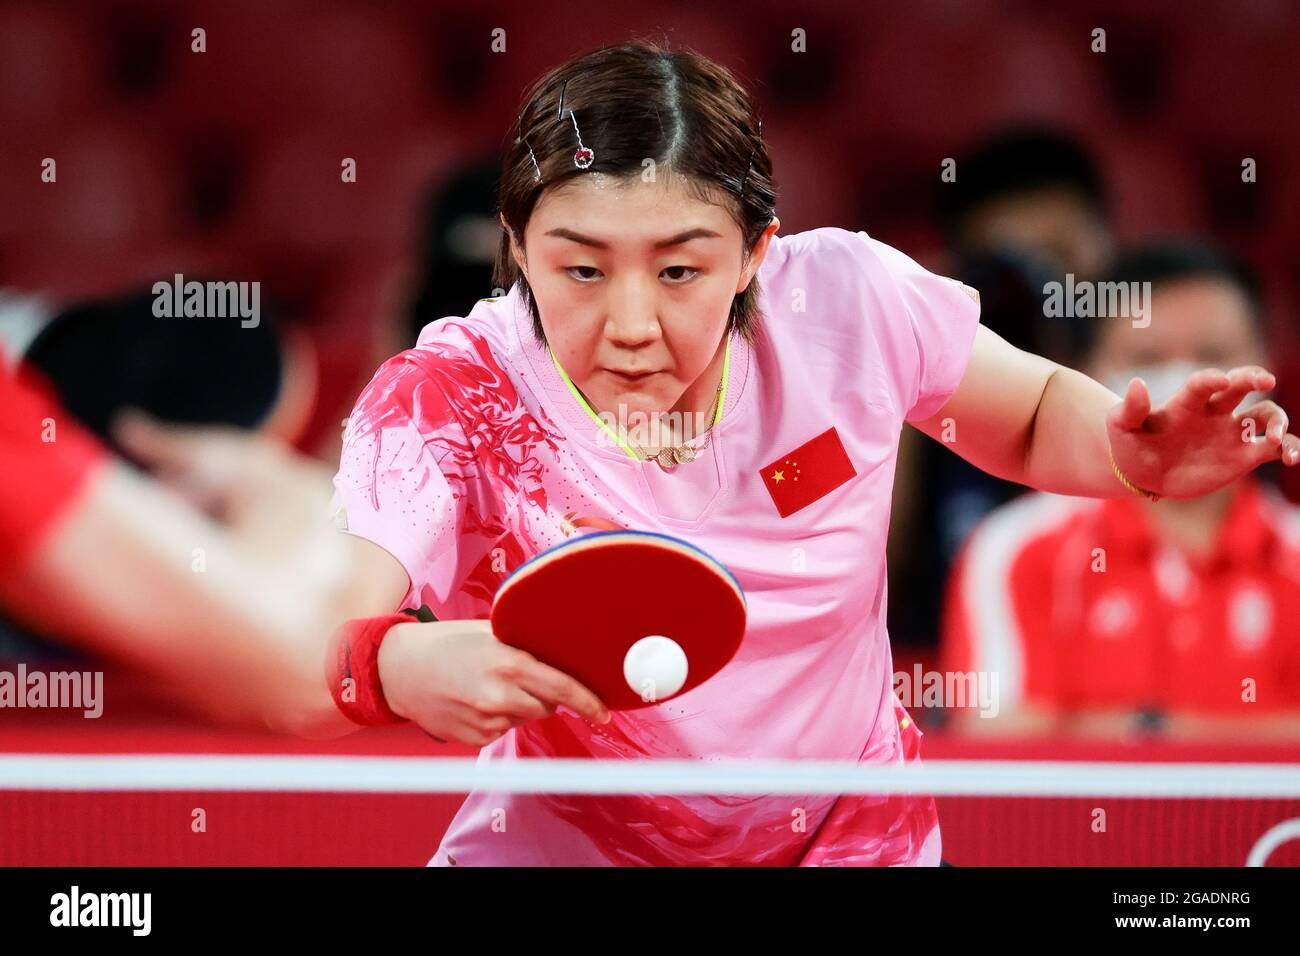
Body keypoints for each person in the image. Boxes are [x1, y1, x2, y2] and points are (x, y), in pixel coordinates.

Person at [313, 42, 1298, 866]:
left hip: (853, 841)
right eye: (579, 265)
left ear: (755, 252)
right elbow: (315, 625)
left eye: (681, 268)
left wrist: (1137, 458)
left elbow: (1033, 411)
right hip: (560, 846)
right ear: (516, 246)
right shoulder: (452, 394)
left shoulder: (848, 305)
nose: (629, 324)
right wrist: (392, 660)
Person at [939, 240, 1300, 741]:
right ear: (1085, 373)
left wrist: (1146, 730)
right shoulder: (1015, 548)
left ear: (1267, 362)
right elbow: (1003, 752)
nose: (1189, 380)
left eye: (1214, 355)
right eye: (1148, 357)